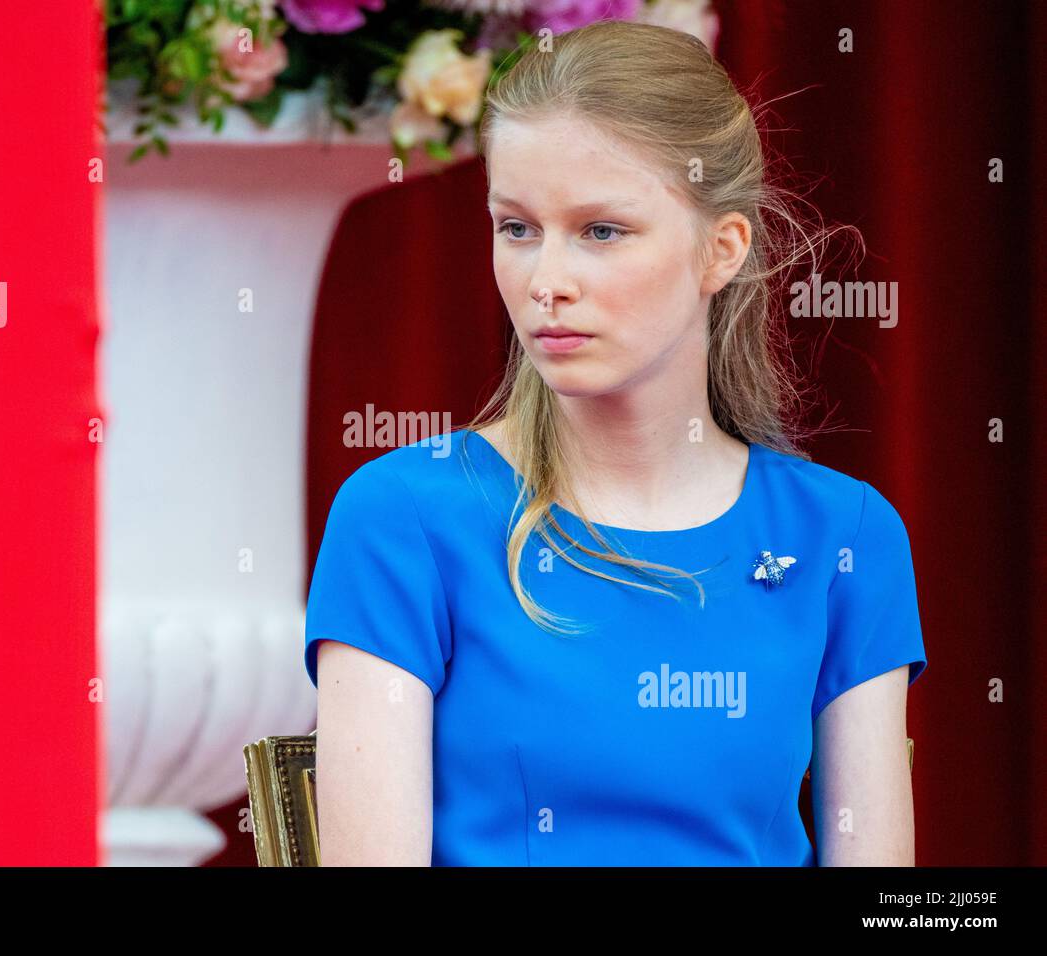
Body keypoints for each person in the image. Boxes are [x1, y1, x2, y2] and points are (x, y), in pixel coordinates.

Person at [303, 19, 927, 866]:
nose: (546, 283)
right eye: (517, 227)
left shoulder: (844, 536)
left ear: (722, 249)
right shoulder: (404, 516)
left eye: (601, 231)